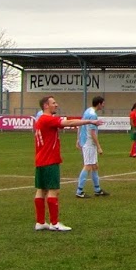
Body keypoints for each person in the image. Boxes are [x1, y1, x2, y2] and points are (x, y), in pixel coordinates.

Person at [32, 96, 96, 231]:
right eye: (53, 103)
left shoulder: (40, 120)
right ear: (46, 105)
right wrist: (89, 121)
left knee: (41, 190)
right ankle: (54, 223)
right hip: (49, 160)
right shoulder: (47, 119)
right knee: (53, 190)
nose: (56, 105)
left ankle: (40, 222)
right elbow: (69, 122)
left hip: (40, 160)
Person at [76, 95, 110, 198]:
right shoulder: (93, 115)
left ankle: (97, 189)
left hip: (85, 141)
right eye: (103, 103)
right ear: (99, 104)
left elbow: (80, 124)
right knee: (88, 166)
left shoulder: (88, 111)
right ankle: (79, 191)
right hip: (89, 143)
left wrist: (78, 139)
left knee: (95, 166)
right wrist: (99, 146)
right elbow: (92, 132)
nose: (103, 105)